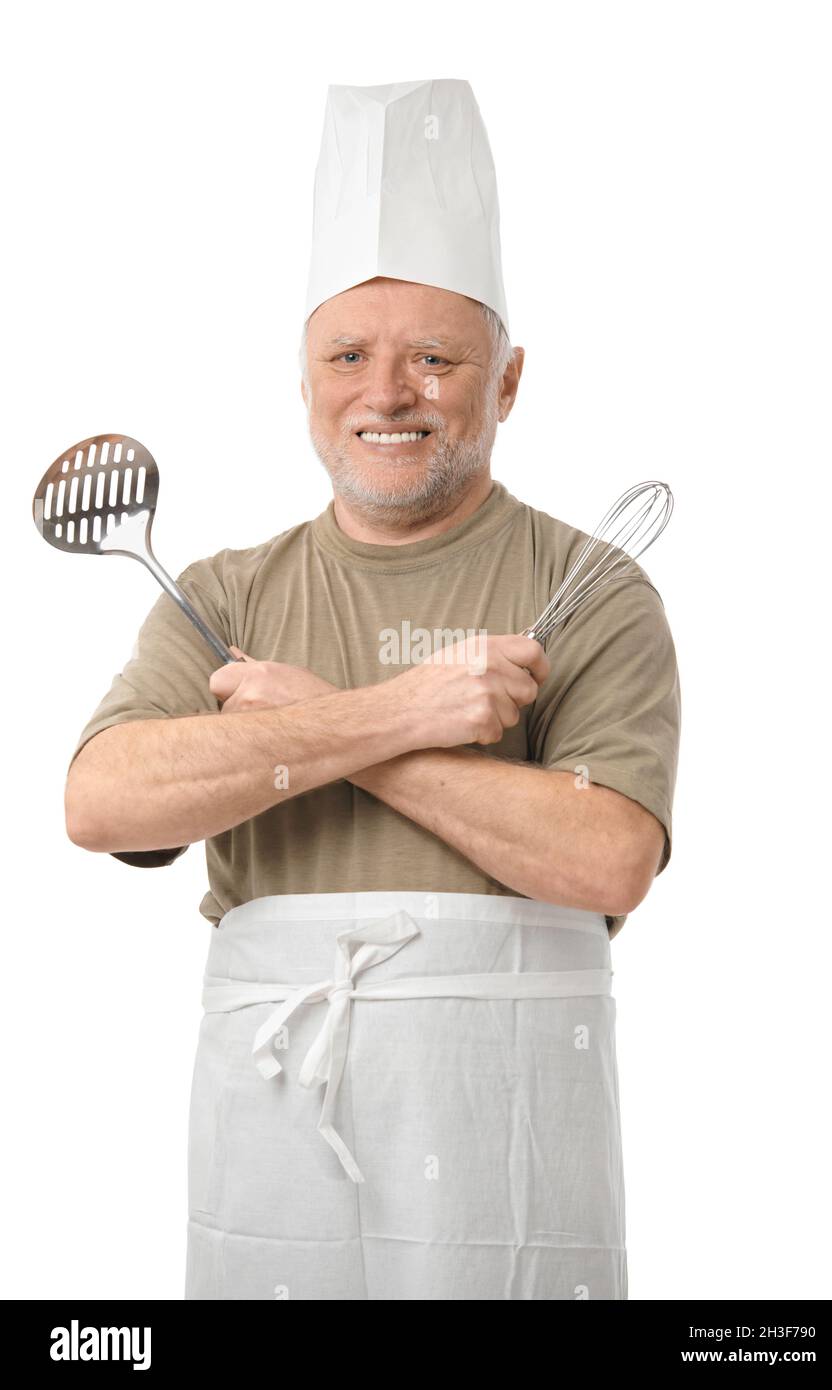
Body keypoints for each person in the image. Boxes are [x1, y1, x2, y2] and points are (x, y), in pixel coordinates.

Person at [65, 79, 680, 1301]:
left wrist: (310, 737)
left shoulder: (591, 588)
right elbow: (102, 803)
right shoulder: (223, 590)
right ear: (302, 382)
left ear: (505, 380)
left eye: (433, 359)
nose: (385, 395)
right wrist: (399, 711)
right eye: (346, 355)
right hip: (274, 1108)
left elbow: (607, 861)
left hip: (512, 1109)